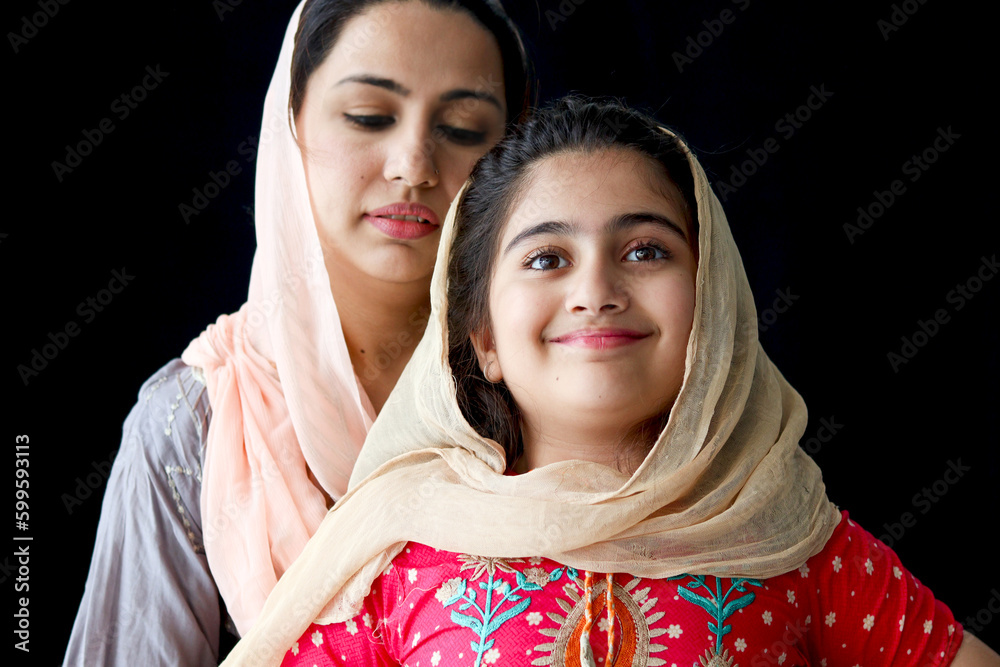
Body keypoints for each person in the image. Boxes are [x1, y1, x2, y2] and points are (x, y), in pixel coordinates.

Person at [218, 97, 999, 666]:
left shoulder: (791, 537)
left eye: (647, 251)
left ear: (713, 310)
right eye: (547, 258)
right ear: (482, 337)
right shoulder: (400, 556)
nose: (597, 289)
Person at [62, 1, 530, 665]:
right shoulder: (201, 424)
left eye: (462, 127)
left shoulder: (552, 389)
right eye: (369, 116)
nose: (414, 164)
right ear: (290, 124)